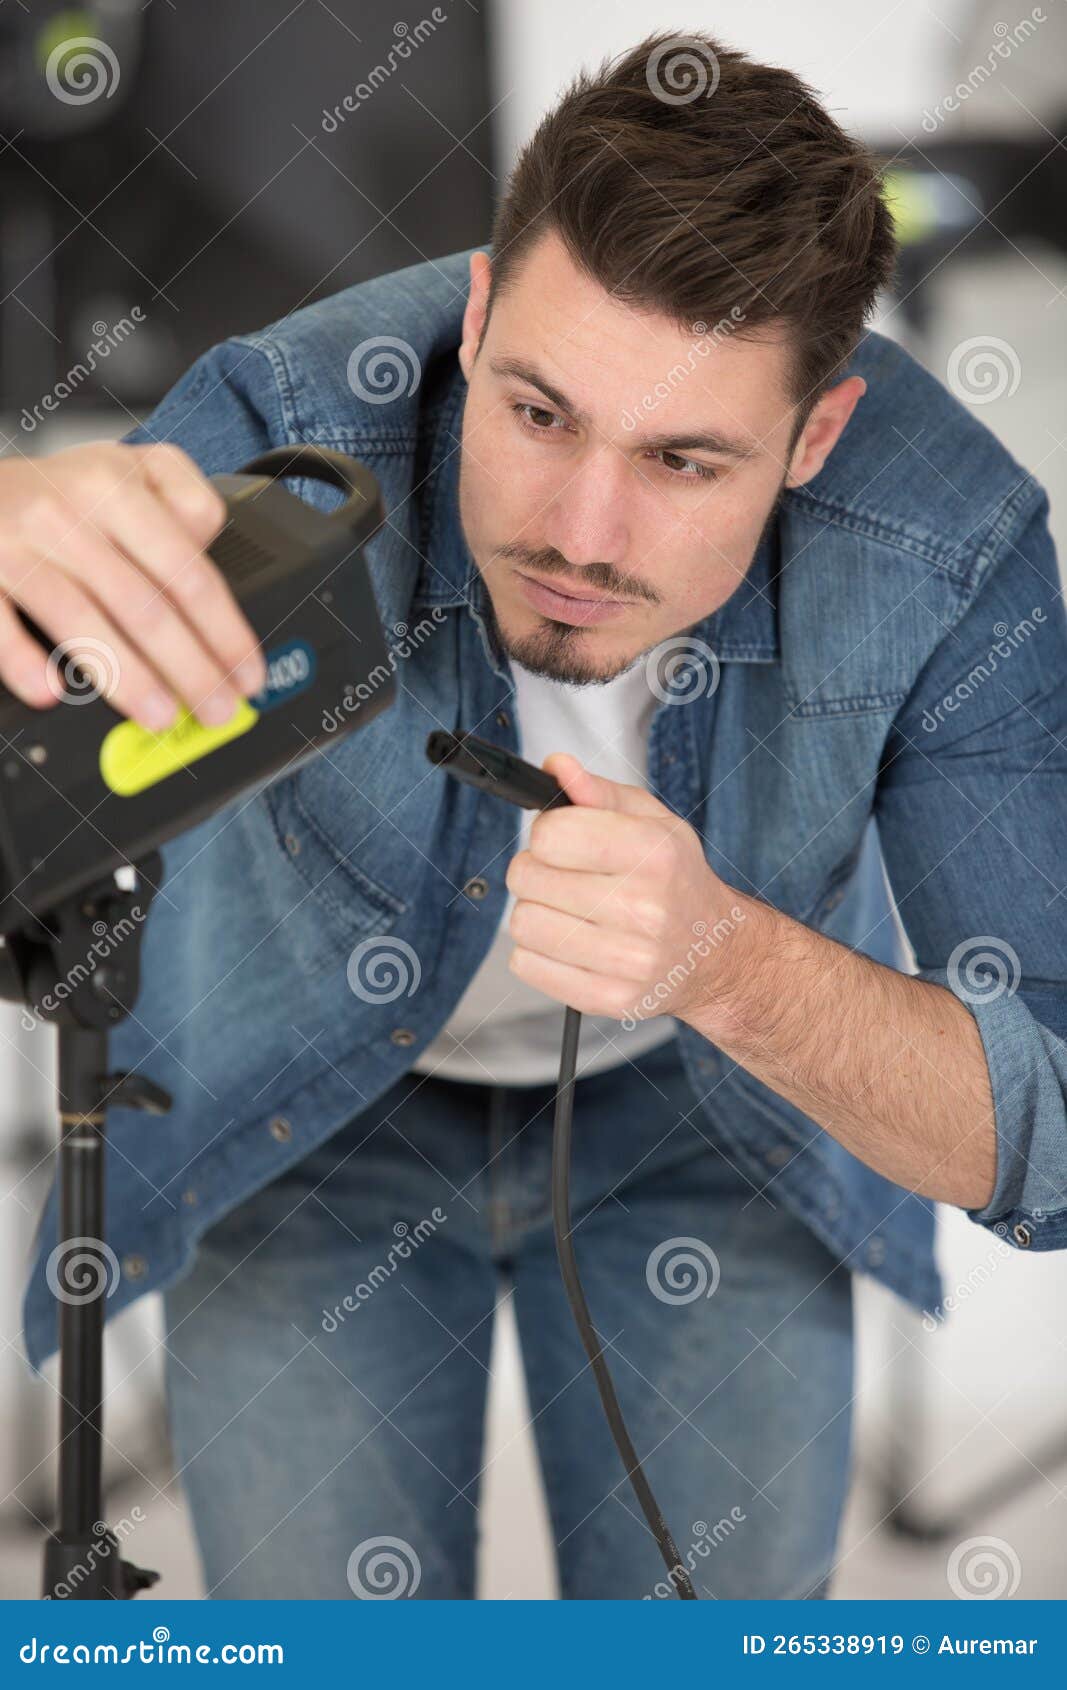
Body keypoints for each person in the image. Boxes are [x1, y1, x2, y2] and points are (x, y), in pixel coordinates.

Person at [9, 33, 1067, 1600]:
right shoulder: (294, 415)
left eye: (686, 460)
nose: (578, 532)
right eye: (539, 413)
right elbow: (40, 779)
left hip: (724, 1131)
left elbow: (1050, 1134)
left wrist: (726, 964)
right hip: (309, 1115)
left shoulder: (950, 545)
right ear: (481, 313)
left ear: (817, 436)